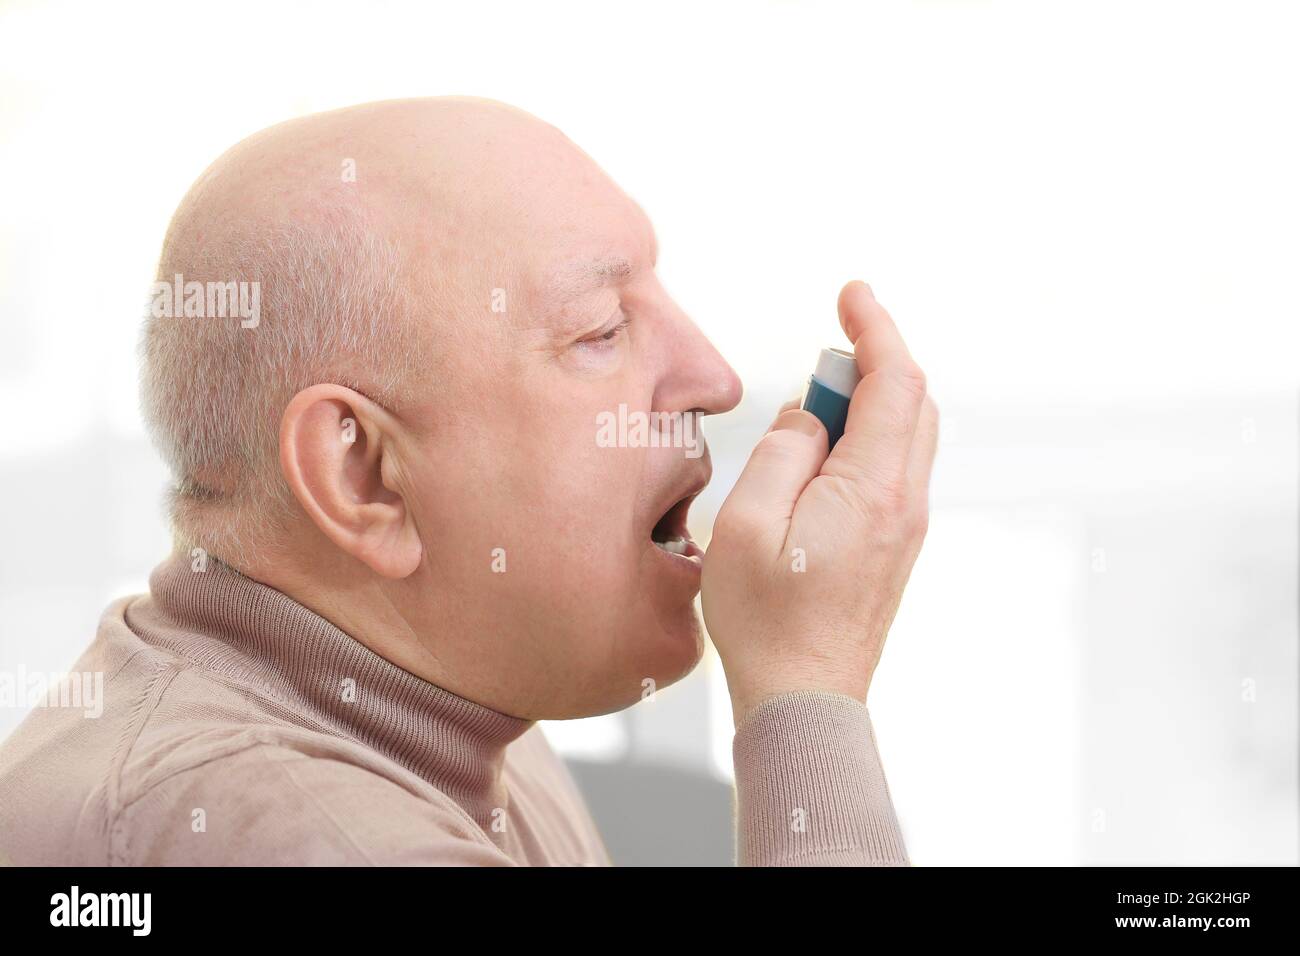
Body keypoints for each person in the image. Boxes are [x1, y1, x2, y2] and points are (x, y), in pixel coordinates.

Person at [0, 98, 936, 866]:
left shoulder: (454, 695)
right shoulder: (292, 835)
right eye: (602, 331)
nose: (716, 378)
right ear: (363, 474)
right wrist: (805, 694)